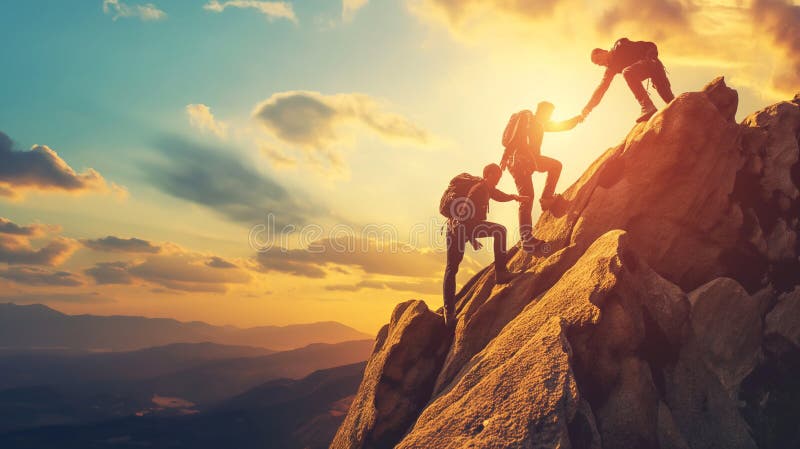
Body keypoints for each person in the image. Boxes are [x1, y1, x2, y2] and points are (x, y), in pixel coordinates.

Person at [442, 163, 525, 328]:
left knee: (499, 231)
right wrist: (471, 237)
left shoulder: (487, 188)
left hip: (466, 227)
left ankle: (500, 273)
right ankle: (449, 312)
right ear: (488, 175)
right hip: (458, 229)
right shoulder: (478, 189)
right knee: (452, 268)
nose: (498, 180)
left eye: (500, 177)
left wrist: (514, 197)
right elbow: (462, 213)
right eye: (496, 177)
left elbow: (498, 195)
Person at [500, 102, 582, 252]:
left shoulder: (540, 124)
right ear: (541, 111)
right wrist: (505, 156)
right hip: (519, 161)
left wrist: (578, 118)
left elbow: (561, 126)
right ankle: (526, 239)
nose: (549, 117)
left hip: (531, 161)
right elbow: (516, 136)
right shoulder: (528, 118)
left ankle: (546, 199)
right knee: (527, 196)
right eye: (548, 114)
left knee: (555, 166)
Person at [582, 37, 675, 123]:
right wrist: (587, 109)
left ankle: (647, 106)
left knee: (627, 72)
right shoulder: (611, 69)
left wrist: (651, 58)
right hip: (649, 71)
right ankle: (648, 105)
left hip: (653, 65)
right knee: (671, 102)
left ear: (604, 51)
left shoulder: (621, 46)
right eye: (597, 64)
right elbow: (602, 88)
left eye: (598, 59)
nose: (600, 64)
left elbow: (650, 45)